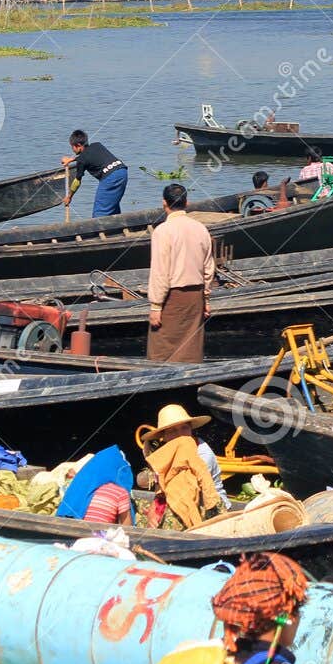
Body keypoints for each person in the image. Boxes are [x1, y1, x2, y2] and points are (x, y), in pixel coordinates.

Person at [146, 182, 214, 362]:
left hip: (172, 298)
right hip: (195, 296)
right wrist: (206, 299)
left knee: (161, 350)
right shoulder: (201, 228)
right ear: (187, 202)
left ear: (164, 203)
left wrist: (155, 306)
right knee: (191, 349)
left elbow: (160, 272)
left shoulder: (163, 231)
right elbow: (208, 268)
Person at [136, 403, 222, 530]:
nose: (180, 434)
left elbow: (186, 489)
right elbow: (141, 481)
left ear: (191, 429)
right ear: (164, 437)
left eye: (184, 428)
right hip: (174, 501)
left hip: (208, 508)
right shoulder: (167, 450)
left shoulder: (201, 453)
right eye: (172, 431)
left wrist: (156, 510)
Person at [62, 129, 128, 218]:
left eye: (72, 147)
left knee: (100, 212)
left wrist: (69, 196)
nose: (72, 150)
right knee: (112, 206)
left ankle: (98, 230)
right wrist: (71, 159)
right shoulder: (97, 145)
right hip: (122, 171)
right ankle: (117, 228)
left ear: (78, 145)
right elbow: (88, 155)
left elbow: (77, 182)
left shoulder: (82, 160)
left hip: (110, 177)